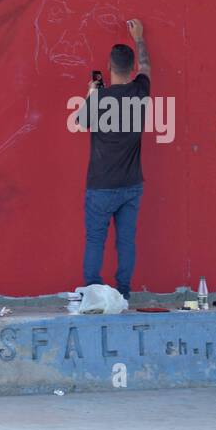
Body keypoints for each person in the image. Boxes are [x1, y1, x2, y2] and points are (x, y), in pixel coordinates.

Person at [77, 19, 150, 300]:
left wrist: (92, 92)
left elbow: (81, 121)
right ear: (131, 70)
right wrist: (139, 38)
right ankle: (123, 293)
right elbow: (147, 67)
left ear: (108, 68)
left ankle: (93, 293)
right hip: (131, 185)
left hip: (101, 185)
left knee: (96, 240)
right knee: (126, 242)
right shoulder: (140, 91)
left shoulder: (99, 97)